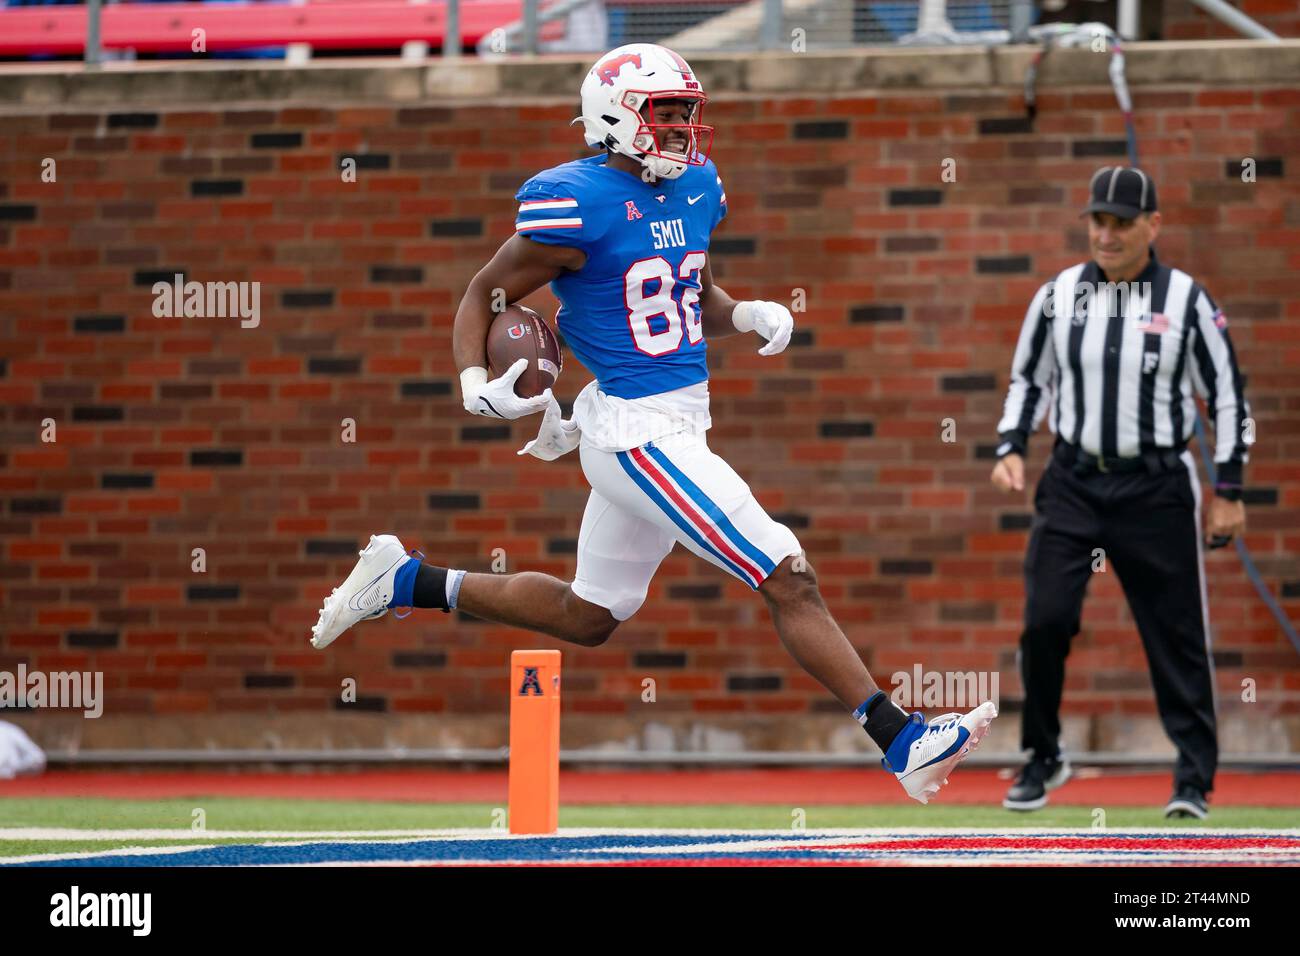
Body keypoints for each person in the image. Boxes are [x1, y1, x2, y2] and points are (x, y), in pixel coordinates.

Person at [310, 43, 995, 803]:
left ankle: (407, 578)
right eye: (664, 113)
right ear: (615, 115)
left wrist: (743, 312)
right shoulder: (575, 199)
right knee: (787, 573)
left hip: (673, 426)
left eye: (685, 114)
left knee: (591, 614)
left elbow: (685, 285)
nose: (679, 129)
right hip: (637, 435)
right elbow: (485, 291)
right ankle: (900, 738)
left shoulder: (697, 186)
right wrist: (475, 381)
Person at [991, 166, 1249, 819]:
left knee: (1175, 632)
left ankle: (1193, 777)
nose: (1106, 234)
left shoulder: (1187, 300)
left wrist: (1230, 488)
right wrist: (1011, 447)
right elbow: (1029, 378)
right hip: (1074, 480)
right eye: (1097, 221)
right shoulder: (1059, 295)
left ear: (1152, 226)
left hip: (1156, 485)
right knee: (1044, 619)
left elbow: (1226, 395)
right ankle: (1043, 756)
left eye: (1121, 222)